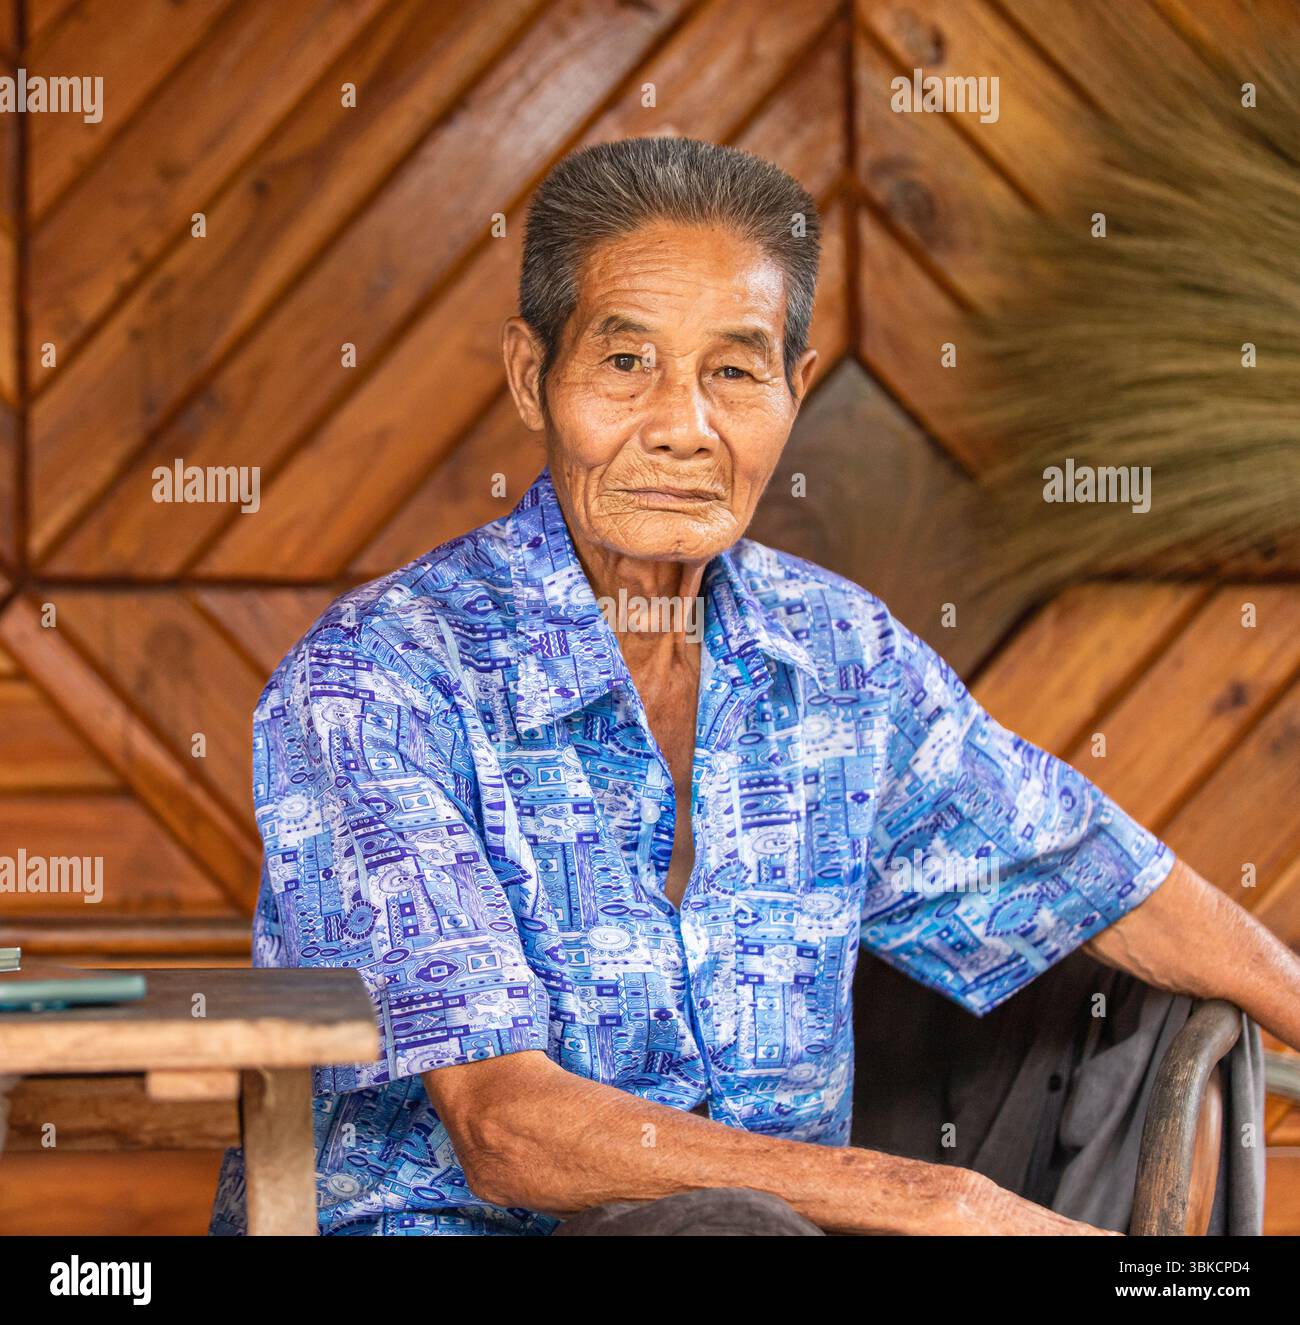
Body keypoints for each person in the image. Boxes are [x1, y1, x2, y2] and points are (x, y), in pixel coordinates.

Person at [209, 136, 1300, 1236]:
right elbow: (504, 1127)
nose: (684, 426)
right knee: (730, 1224)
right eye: (626, 363)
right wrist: (943, 1198)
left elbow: (1094, 867)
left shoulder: (836, 653)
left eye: (733, 370)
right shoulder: (376, 678)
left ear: (794, 385)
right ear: (530, 373)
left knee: (1149, 1009)